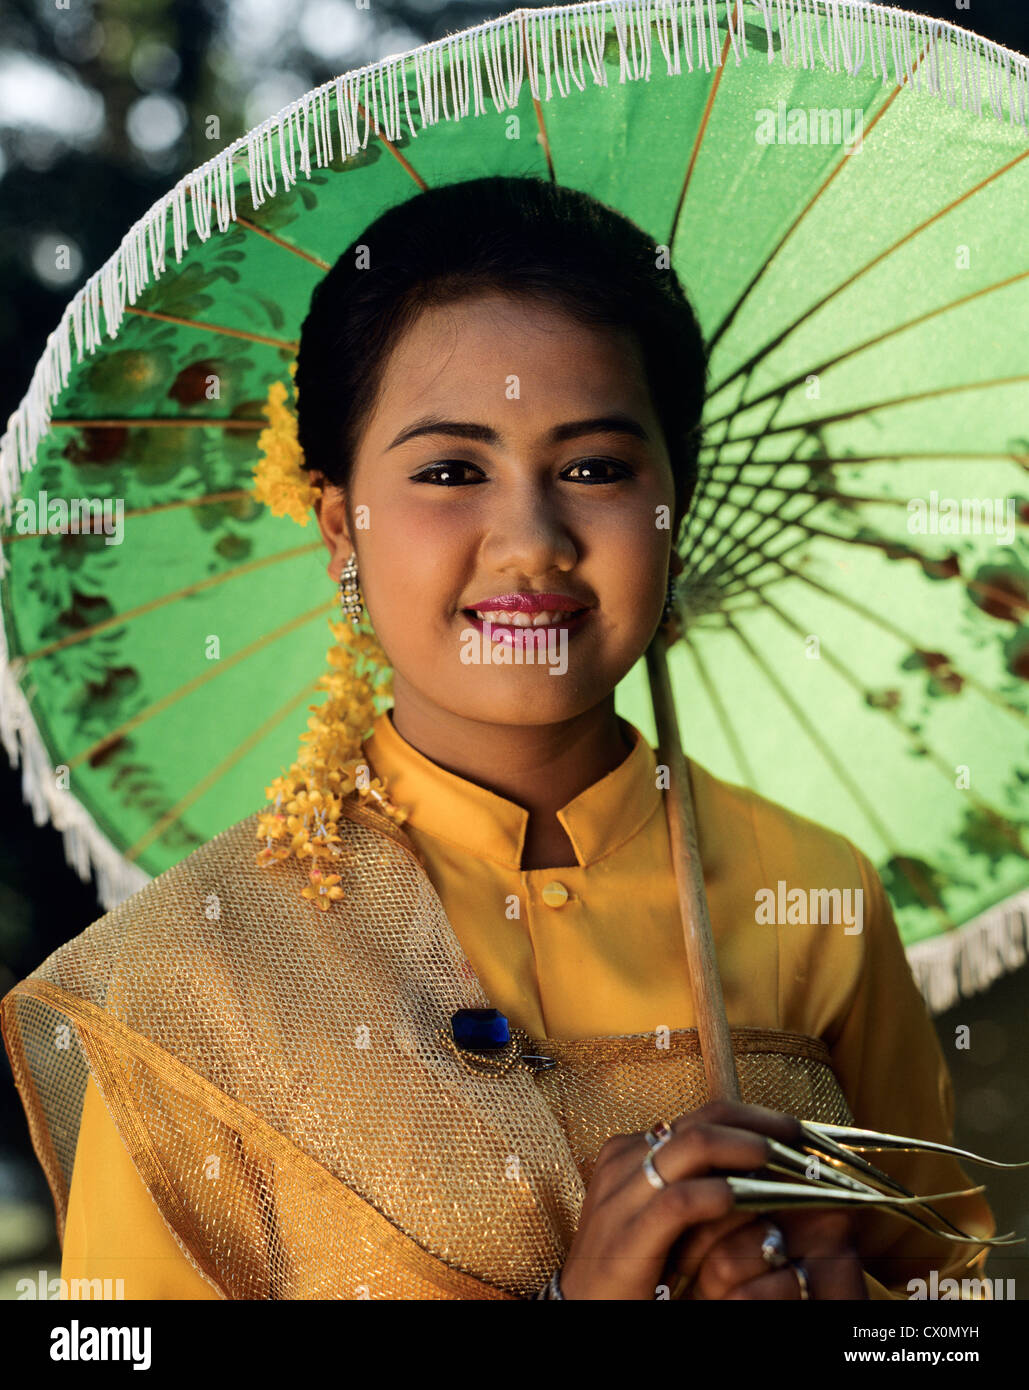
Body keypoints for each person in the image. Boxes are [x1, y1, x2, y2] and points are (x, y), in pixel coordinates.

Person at [3, 176, 995, 1300]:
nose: (531, 542)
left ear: (679, 499)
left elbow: (947, 1293)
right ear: (342, 526)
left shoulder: (810, 893)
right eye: (450, 472)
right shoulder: (192, 976)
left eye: (596, 468)